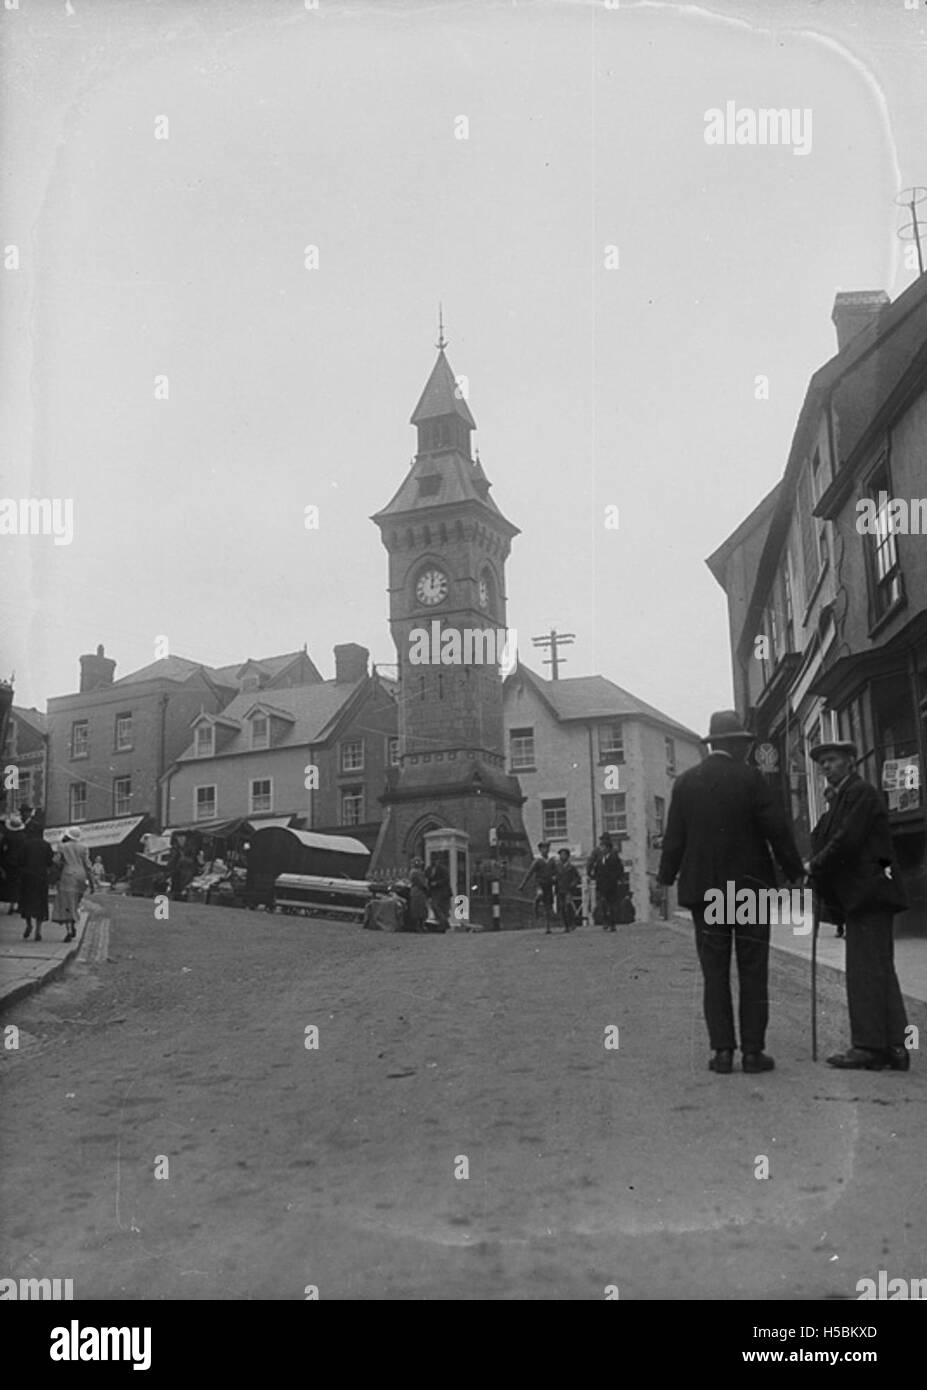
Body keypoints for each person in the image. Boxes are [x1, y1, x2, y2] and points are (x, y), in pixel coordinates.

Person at [657, 710, 805, 1075]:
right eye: (741, 744)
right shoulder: (752, 779)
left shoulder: (686, 783)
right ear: (733, 745)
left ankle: (722, 1052)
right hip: (749, 890)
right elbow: (777, 829)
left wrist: (666, 876)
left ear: (713, 745)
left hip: (707, 893)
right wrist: (795, 872)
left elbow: (674, 838)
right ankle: (753, 1053)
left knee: (715, 972)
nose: (744, 750)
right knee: (753, 970)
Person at [808, 741, 910, 1071]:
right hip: (869, 894)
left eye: (832, 760)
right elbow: (827, 835)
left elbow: (846, 840)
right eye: (822, 762)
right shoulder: (844, 796)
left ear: (850, 761)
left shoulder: (860, 793)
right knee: (880, 969)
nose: (826, 766)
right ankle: (896, 1046)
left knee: (864, 971)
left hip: (868, 894)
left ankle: (869, 1047)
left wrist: (815, 866)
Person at [52, 827, 93, 942]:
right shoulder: (84, 847)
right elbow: (88, 865)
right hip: (81, 875)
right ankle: (74, 921)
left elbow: (55, 860)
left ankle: (69, 929)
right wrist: (93, 882)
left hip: (68, 875)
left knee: (67, 903)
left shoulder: (62, 847)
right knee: (76, 901)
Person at [19, 819, 54, 942]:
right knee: (40, 904)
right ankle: (38, 931)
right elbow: (50, 863)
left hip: (27, 877)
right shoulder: (46, 845)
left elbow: (20, 861)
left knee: (27, 902)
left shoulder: (25, 844)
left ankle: (28, 924)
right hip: (41, 877)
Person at [587, 833, 626, 931]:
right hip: (601, 884)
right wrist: (591, 875)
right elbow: (592, 864)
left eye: (605, 843)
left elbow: (619, 868)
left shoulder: (613, 855)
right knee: (603, 903)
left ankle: (612, 923)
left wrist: (619, 879)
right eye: (602, 842)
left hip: (611, 884)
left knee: (611, 904)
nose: (602, 847)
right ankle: (605, 921)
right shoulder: (597, 853)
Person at [519, 840, 557, 933]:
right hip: (539, 883)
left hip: (548, 884)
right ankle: (536, 902)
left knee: (548, 906)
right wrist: (522, 885)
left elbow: (556, 872)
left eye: (547, 848)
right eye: (543, 848)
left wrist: (554, 877)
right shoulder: (537, 861)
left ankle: (548, 927)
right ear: (540, 850)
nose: (545, 850)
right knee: (540, 894)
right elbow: (529, 873)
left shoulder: (552, 861)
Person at [0, 812, 27, 915]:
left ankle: (11, 904)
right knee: (18, 884)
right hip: (20, 863)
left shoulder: (7, 837)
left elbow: (2, 849)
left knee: (9, 884)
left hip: (8, 863)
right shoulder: (23, 837)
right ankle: (16, 905)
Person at [553, 847, 581, 932]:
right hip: (560, 889)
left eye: (564, 854)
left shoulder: (571, 867)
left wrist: (573, 884)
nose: (562, 856)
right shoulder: (557, 866)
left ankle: (571, 923)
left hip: (568, 890)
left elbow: (577, 877)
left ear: (568, 856)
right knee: (561, 907)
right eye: (561, 855)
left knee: (568, 906)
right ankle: (566, 925)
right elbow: (553, 876)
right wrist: (554, 880)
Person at [407, 857, 429, 933]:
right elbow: (421, 883)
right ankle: (419, 926)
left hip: (416, 891)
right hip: (418, 892)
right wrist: (426, 888)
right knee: (419, 909)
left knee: (418, 909)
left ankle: (419, 926)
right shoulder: (416, 872)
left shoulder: (413, 871)